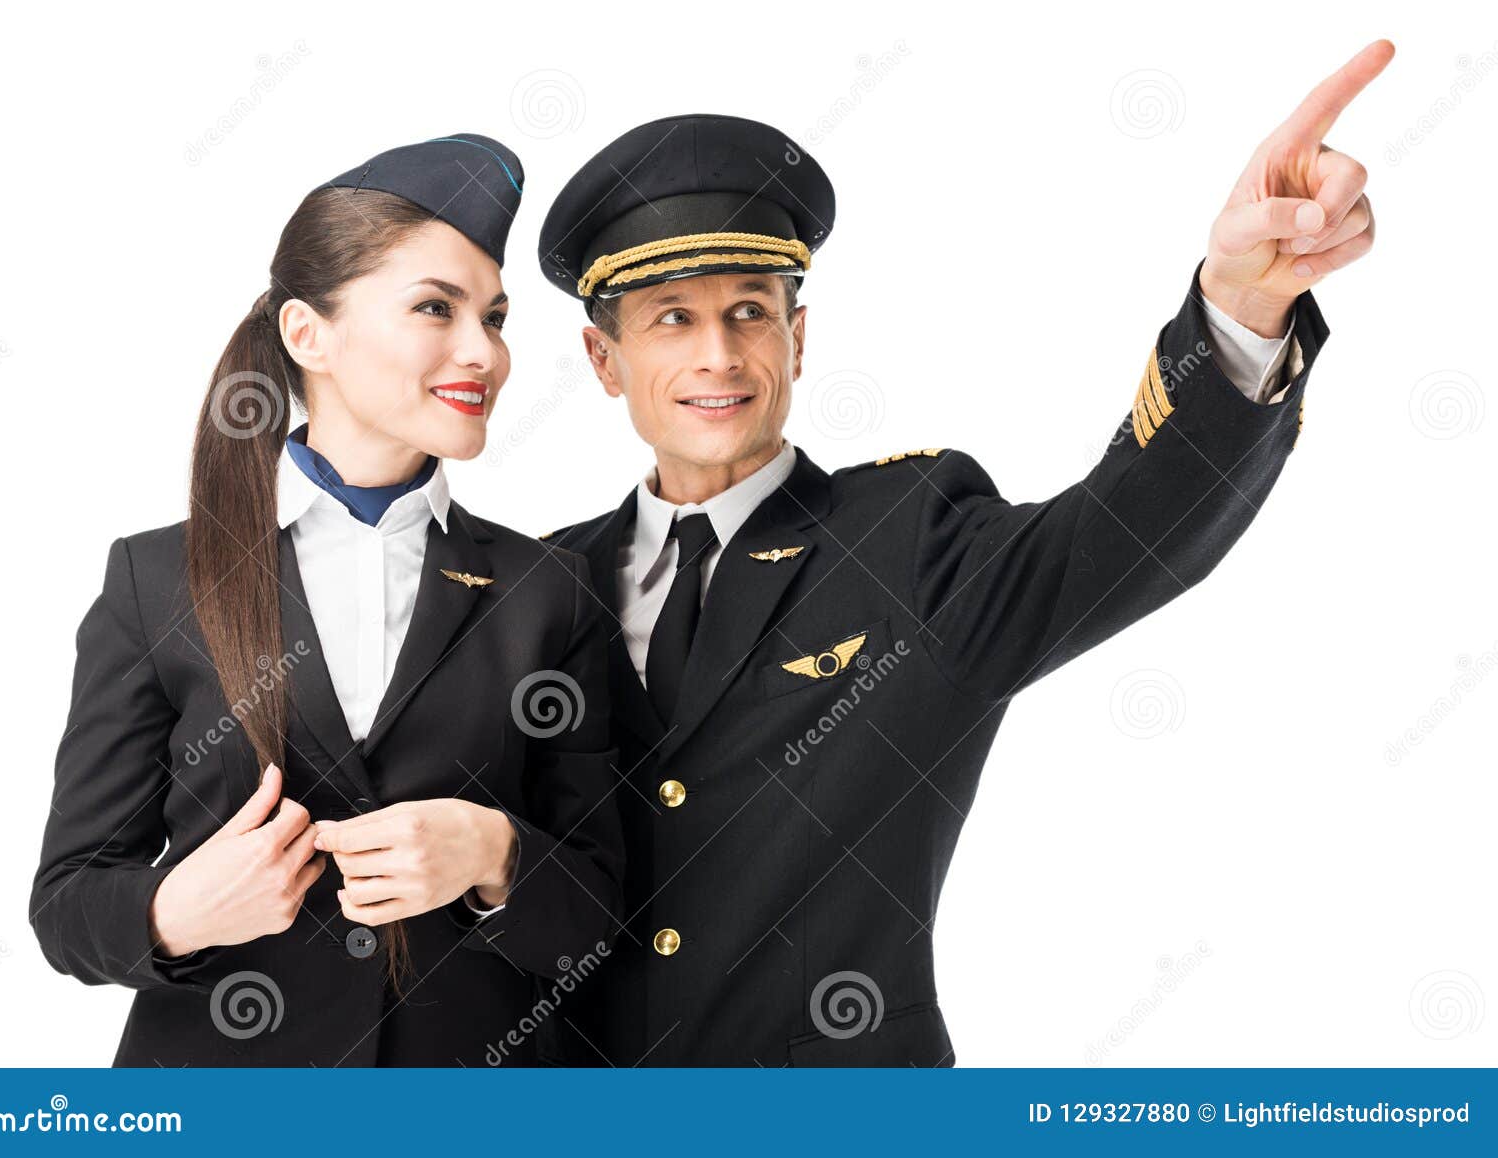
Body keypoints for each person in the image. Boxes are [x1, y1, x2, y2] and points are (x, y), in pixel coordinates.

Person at [530, 42, 1390, 1065]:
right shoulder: (527, 590)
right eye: (673, 319)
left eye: (749, 312)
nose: (719, 355)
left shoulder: (910, 541)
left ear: (797, 341)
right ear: (603, 359)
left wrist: (1241, 309)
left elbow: (1129, 530)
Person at [28, 134, 623, 1066]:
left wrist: (495, 853)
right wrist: (171, 912)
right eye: (437, 307)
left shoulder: (549, 592)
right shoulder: (156, 583)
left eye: (496, 317)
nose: (487, 353)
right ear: (309, 334)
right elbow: (67, 905)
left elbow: (601, 918)